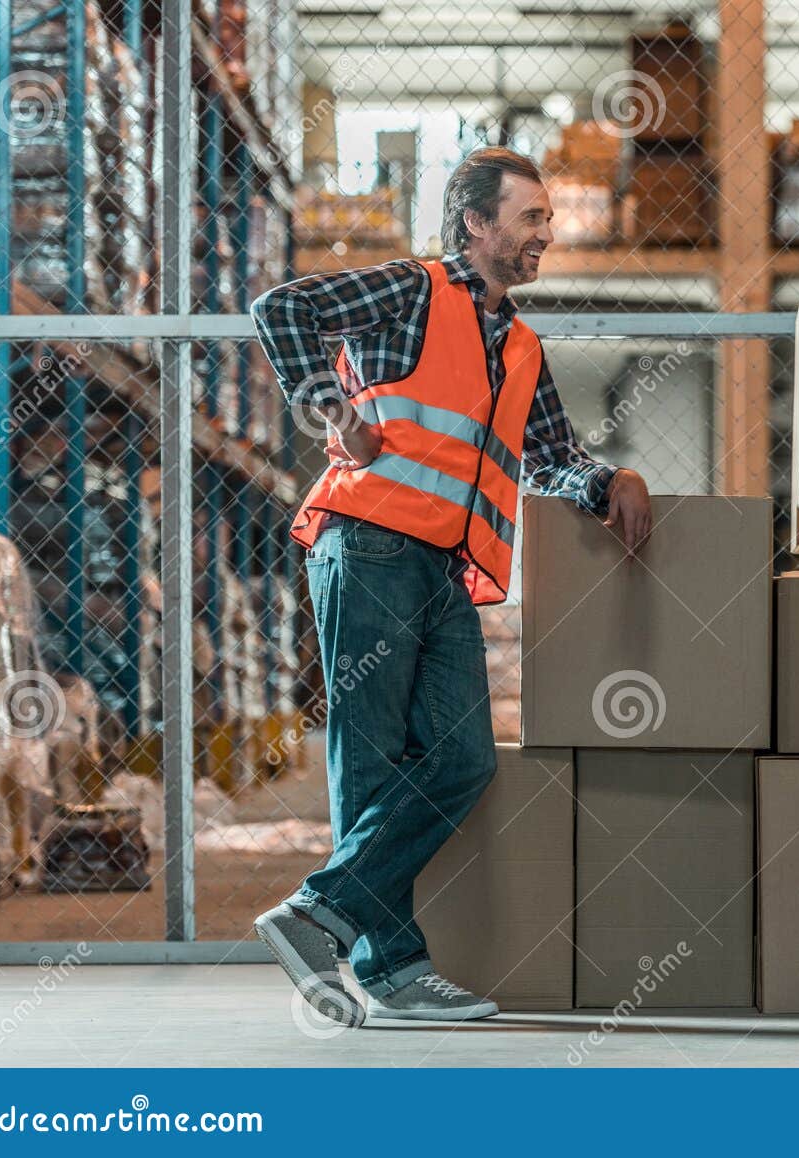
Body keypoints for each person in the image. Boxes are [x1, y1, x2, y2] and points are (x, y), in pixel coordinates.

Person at [250, 147, 651, 1026]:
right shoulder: (411, 289)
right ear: (477, 223)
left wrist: (607, 482)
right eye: (532, 217)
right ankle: (389, 967)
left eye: (548, 218)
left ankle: (319, 916)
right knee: (372, 755)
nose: (547, 233)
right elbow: (282, 309)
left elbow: (549, 459)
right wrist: (334, 408)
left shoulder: (521, 344)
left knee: (463, 756)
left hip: (444, 567)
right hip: (369, 543)